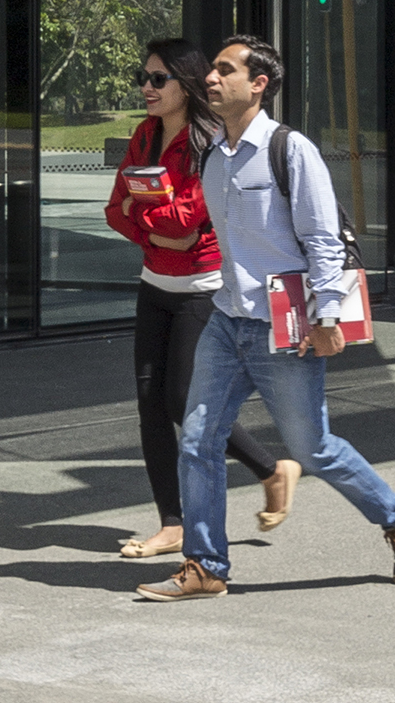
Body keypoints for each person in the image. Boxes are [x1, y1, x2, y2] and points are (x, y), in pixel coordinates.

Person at [135, 31, 395, 603]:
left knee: (312, 447)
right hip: (225, 318)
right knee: (197, 441)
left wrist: (328, 317)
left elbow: (321, 240)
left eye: (225, 70)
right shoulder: (212, 153)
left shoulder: (290, 151)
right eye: (212, 71)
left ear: (259, 83)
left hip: (284, 326)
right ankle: (206, 566)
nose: (212, 79)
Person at [103, 40, 296, 559]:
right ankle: (173, 522)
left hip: (202, 290)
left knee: (181, 400)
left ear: (185, 84)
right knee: (150, 405)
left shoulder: (208, 141)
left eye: (158, 79)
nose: (147, 87)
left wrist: (155, 220)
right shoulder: (144, 136)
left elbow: (188, 222)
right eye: (142, 77)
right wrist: (157, 232)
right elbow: (115, 211)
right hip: (154, 283)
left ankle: (270, 468)